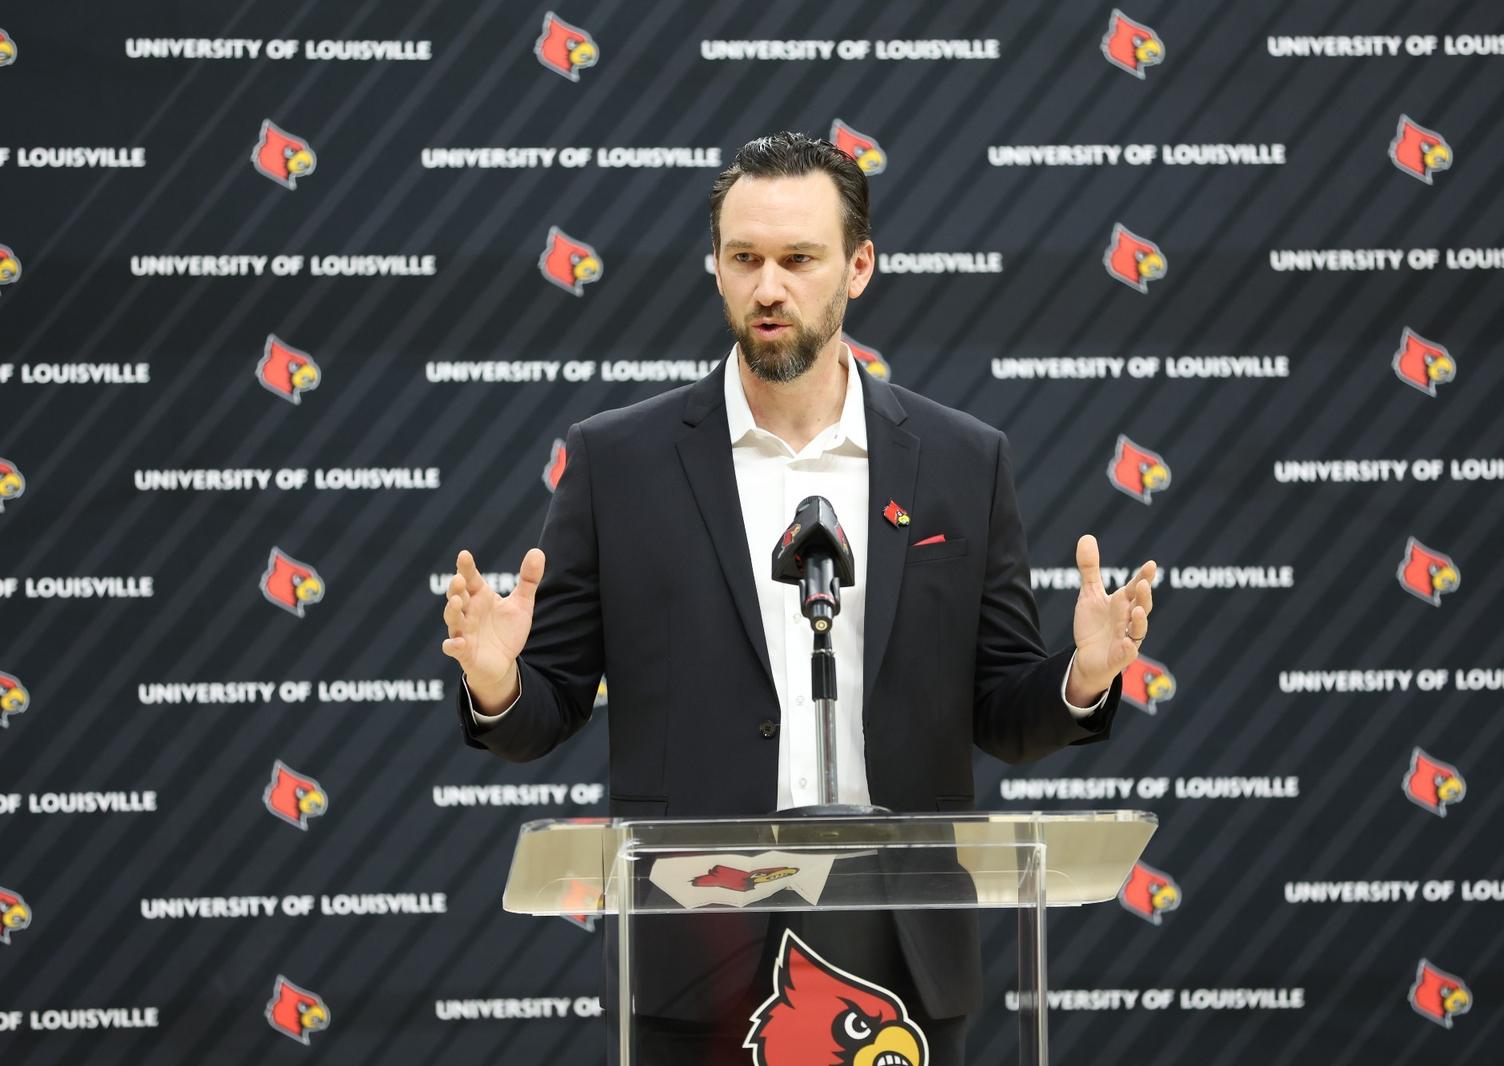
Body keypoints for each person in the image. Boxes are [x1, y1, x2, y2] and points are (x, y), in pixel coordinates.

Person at [441, 132, 1157, 1065]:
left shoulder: (961, 461)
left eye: (798, 259)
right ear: (715, 267)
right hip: (695, 950)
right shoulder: (619, 462)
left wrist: (1082, 677)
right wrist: (498, 681)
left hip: (903, 949)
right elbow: (547, 711)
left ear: (859, 266)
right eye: (744, 258)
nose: (768, 287)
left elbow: (1003, 715)